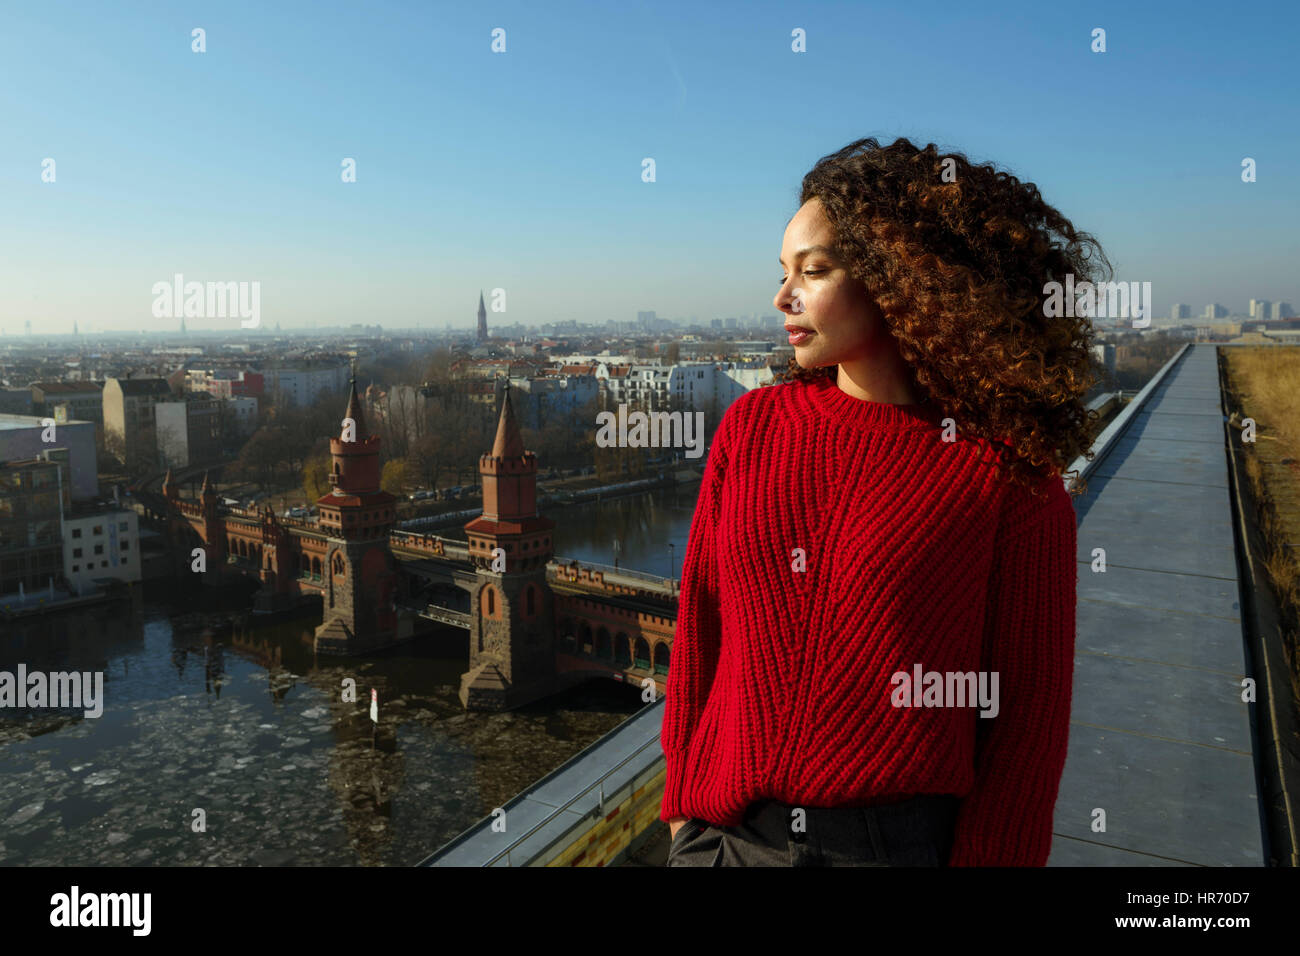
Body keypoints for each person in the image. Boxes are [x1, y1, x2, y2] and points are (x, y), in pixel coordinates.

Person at [661, 136, 1107, 867]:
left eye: (815, 270)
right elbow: (702, 628)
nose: (783, 297)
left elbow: (1026, 719)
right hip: (724, 845)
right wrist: (682, 811)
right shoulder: (751, 430)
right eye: (783, 273)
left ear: (897, 279)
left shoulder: (1005, 477)